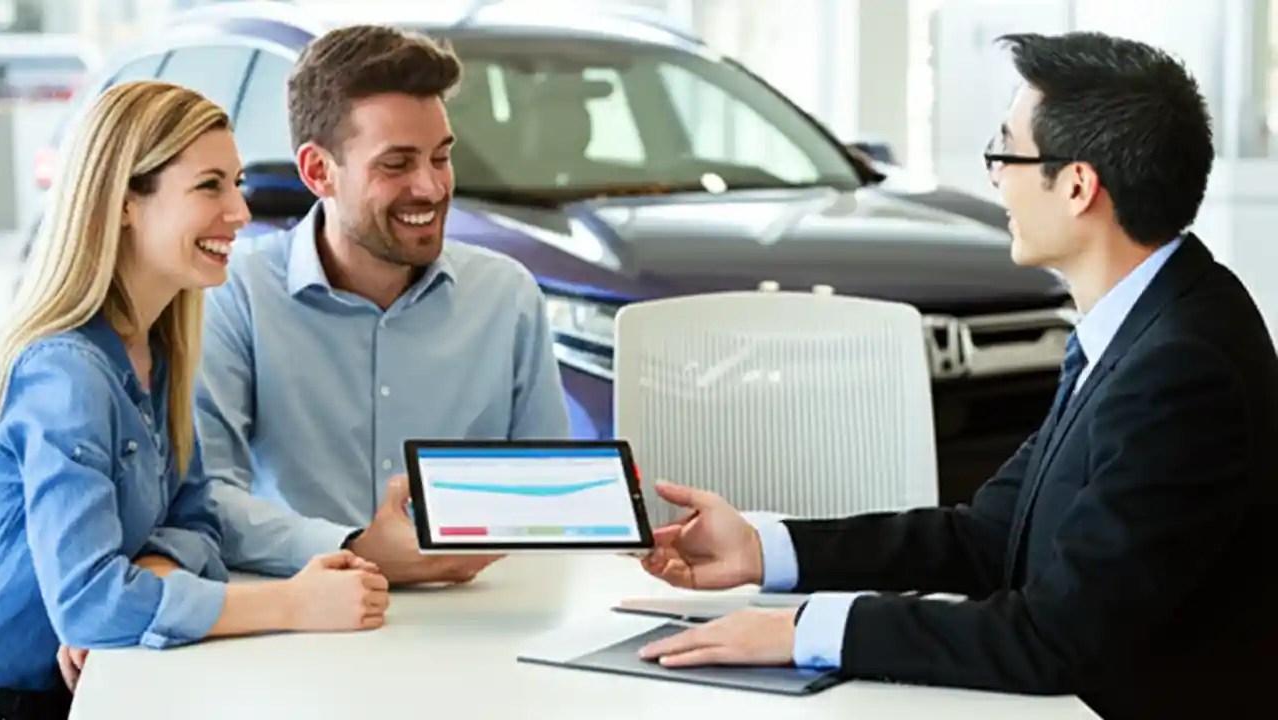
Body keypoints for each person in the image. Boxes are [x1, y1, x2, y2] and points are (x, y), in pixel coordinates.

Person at [633, 31, 1278, 720]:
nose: (995, 177)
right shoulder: (1146, 318)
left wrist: (805, 632)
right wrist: (763, 549)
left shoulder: (1183, 366)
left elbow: (1055, 636)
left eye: (1006, 153)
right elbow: (990, 535)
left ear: (1079, 186)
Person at [0, 81, 391, 720]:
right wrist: (292, 603)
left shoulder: (159, 353)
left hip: (112, 678)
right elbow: (90, 605)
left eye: (235, 183)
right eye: (210, 186)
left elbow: (199, 522)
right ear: (125, 201)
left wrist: (153, 566)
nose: (239, 211)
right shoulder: (66, 374)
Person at [196, 24, 570, 583]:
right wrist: (353, 547)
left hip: (476, 616)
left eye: (440, 158)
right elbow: (206, 497)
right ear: (318, 171)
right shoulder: (236, 298)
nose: (430, 187)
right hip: (302, 614)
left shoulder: (507, 295)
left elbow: (548, 495)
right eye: (396, 165)